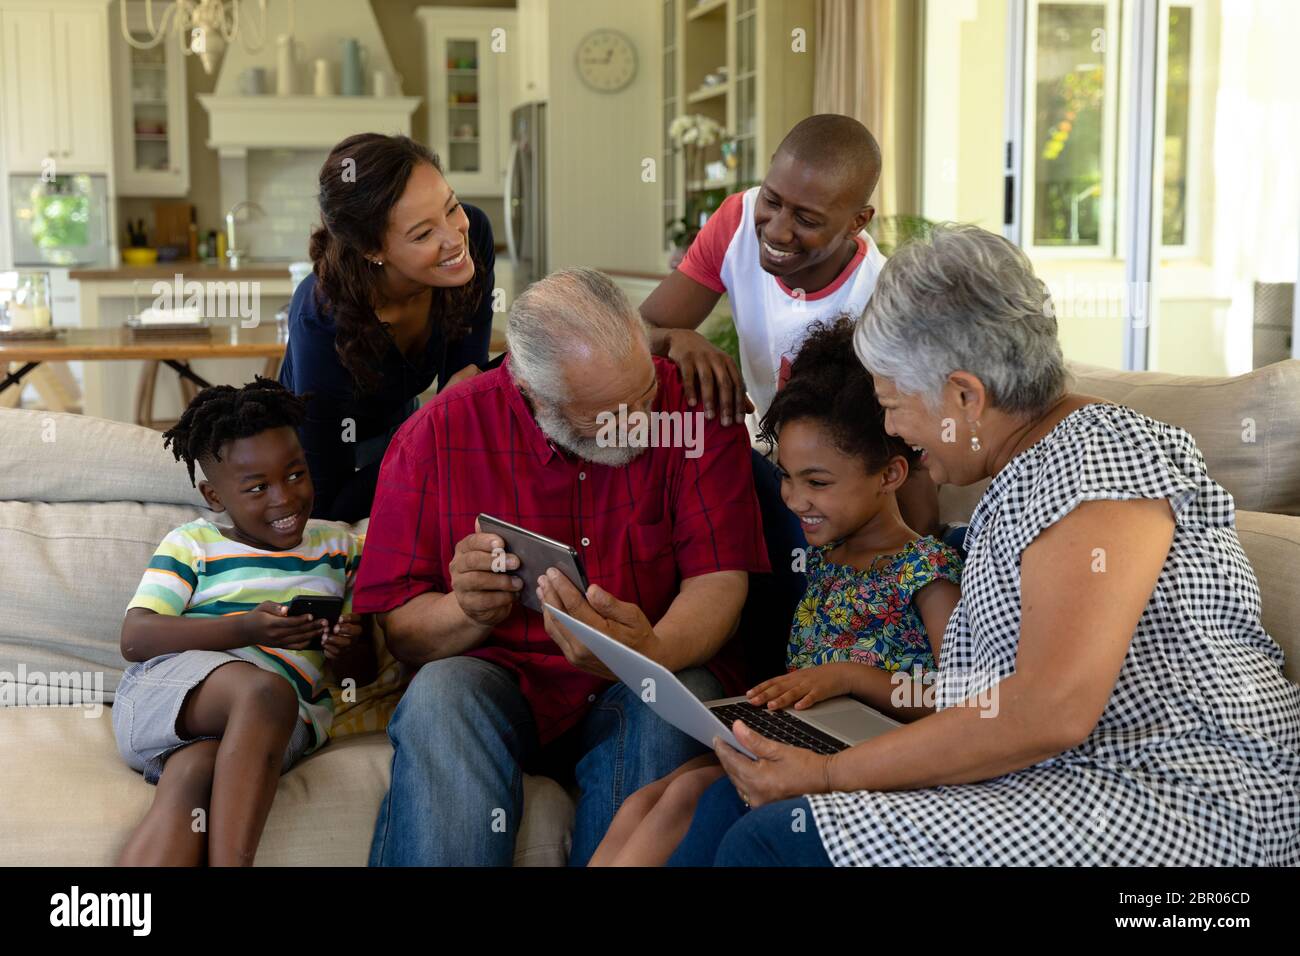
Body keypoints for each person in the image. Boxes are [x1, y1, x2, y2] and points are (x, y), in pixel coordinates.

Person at [670, 223, 1300, 866]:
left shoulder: (1101, 461)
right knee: (736, 798)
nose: (893, 431)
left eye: (893, 405)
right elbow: (989, 694)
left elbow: (1048, 710)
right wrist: (851, 697)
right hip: (1068, 777)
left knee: (775, 839)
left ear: (965, 396)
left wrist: (832, 775)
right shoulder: (1023, 472)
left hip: (1184, 798)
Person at [352, 268, 770, 866]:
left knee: (673, 699)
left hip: (649, 670)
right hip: (497, 680)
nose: (639, 424)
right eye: (607, 414)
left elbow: (721, 578)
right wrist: (464, 610)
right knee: (441, 694)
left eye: (646, 397)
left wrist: (650, 650)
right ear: (533, 392)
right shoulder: (437, 435)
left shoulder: (697, 412)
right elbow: (399, 628)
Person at [587, 318, 962, 866]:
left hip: (872, 761)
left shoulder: (927, 570)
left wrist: (850, 678)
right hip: (802, 738)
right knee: (655, 796)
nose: (794, 499)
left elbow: (960, 703)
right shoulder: (822, 557)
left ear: (891, 473)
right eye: (786, 476)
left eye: (818, 482)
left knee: (697, 797)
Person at [640, 114, 939, 655]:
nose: (777, 229)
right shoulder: (735, 220)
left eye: (806, 218)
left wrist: (912, 573)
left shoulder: (886, 301)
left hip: (843, 494)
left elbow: (907, 461)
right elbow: (638, 334)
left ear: (858, 221)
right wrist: (677, 340)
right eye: (773, 201)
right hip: (770, 472)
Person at [112, 379, 374, 865]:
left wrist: (347, 647)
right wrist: (246, 630)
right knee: (265, 689)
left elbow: (359, 678)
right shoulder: (192, 544)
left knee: (191, 776)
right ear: (215, 495)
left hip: (275, 729)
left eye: (296, 474)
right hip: (168, 701)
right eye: (257, 488)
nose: (285, 499)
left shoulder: (340, 550)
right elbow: (136, 638)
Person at [279, 133, 495, 523]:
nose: (453, 237)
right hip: (322, 452)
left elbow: (467, 385)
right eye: (423, 233)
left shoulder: (473, 234)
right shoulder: (321, 320)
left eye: (451, 207)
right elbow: (330, 503)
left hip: (402, 427)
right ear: (372, 250)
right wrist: (431, 430)